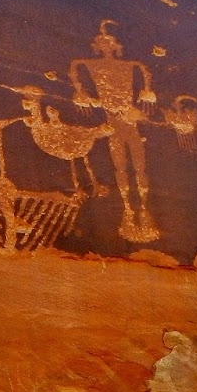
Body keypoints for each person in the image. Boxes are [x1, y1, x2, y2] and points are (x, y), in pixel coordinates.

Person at [69, 21, 160, 242]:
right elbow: (75, 68)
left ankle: (144, 210)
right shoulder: (92, 65)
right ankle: (128, 210)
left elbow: (144, 75)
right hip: (115, 124)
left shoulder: (130, 66)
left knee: (139, 167)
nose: (106, 48)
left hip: (128, 123)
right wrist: (82, 93)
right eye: (102, 44)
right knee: (121, 167)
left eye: (109, 44)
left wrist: (142, 97)